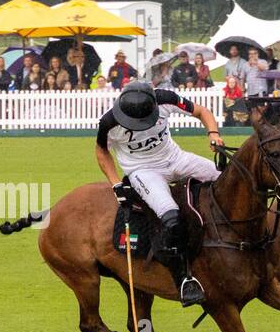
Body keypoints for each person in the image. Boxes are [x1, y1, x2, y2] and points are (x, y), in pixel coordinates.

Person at [94, 81, 223, 306]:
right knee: (171, 216)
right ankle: (184, 278)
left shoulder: (164, 98)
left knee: (227, 179)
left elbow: (202, 111)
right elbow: (101, 151)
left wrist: (213, 133)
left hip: (175, 158)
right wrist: (116, 184)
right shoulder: (109, 122)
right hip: (143, 171)